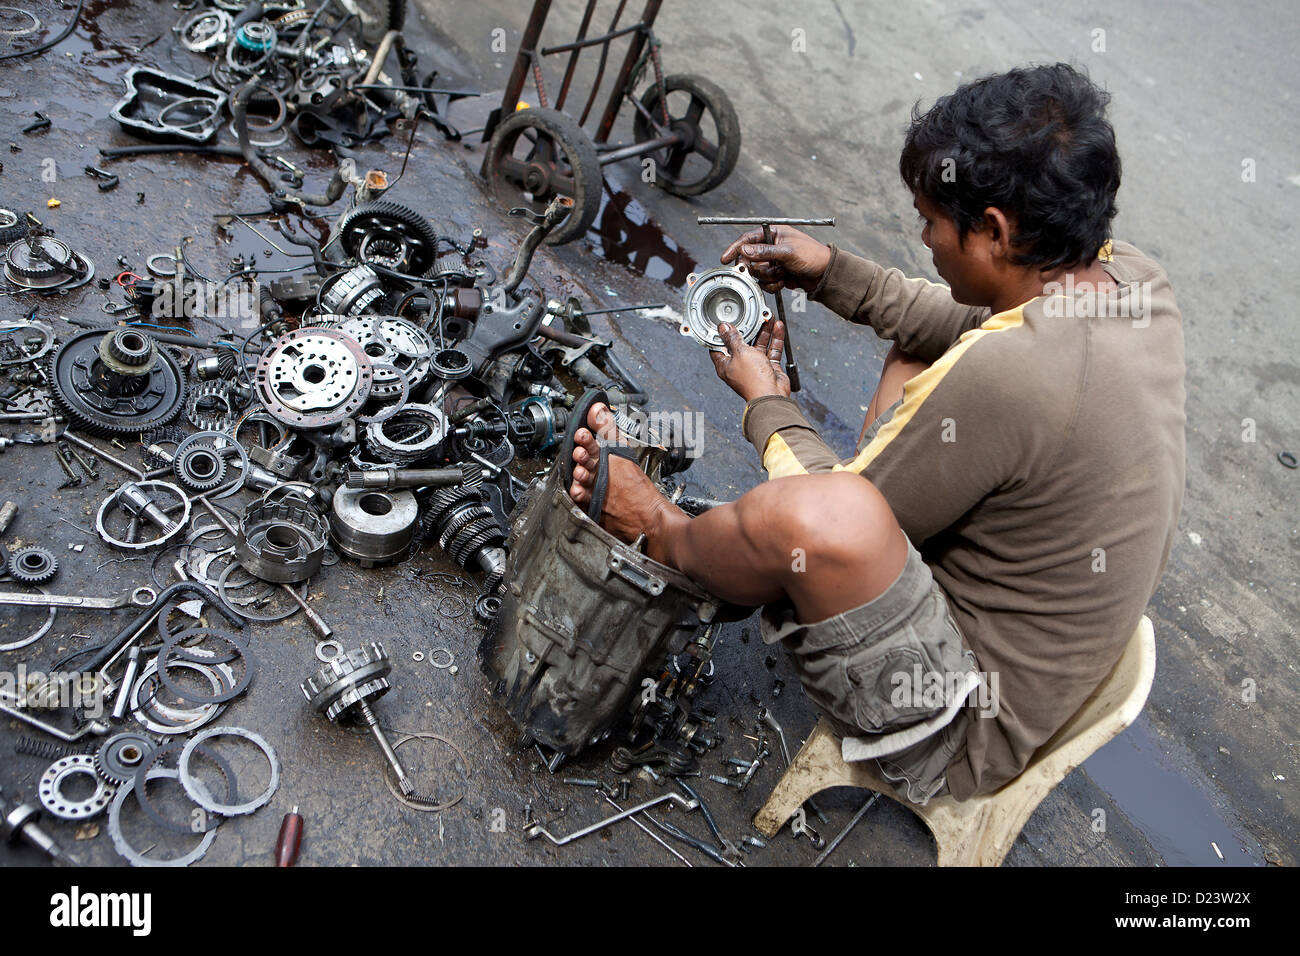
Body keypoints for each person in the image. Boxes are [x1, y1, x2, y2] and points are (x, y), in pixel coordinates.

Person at [567, 63, 1185, 803]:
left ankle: (664, 535)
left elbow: (836, 512)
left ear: (993, 229)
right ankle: (763, 528)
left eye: (930, 220)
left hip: (959, 726)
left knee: (808, 519)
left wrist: (767, 400)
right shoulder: (1129, 281)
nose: (922, 238)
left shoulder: (1015, 375)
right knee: (918, 352)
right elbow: (962, 320)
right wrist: (828, 272)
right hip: (1048, 648)